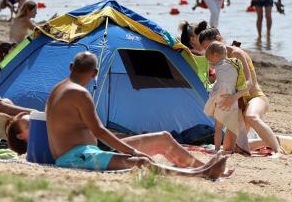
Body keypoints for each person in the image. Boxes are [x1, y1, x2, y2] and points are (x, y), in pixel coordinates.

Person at [45, 51, 230, 178]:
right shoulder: (79, 93)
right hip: (77, 157)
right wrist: (131, 150)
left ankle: (204, 167)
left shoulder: (57, 88)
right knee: (140, 161)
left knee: (163, 138)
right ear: (95, 73)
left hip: (91, 150)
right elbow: (99, 131)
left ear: (71, 66)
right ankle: (202, 174)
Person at [199, 27, 283, 154]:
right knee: (230, 148)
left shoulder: (236, 54)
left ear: (219, 39)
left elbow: (249, 83)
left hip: (255, 98)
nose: (209, 52)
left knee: (251, 116)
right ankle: (270, 140)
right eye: (206, 50)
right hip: (238, 105)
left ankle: (278, 151)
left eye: (209, 47)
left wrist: (232, 98)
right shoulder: (220, 62)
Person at [203, 41, 250, 154]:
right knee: (231, 125)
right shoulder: (234, 64)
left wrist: (213, 95)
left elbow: (221, 85)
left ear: (215, 55)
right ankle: (230, 149)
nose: (211, 63)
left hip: (222, 98)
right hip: (233, 99)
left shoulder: (220, 67)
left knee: (218, 127)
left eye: (210, 60)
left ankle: (217, 148)